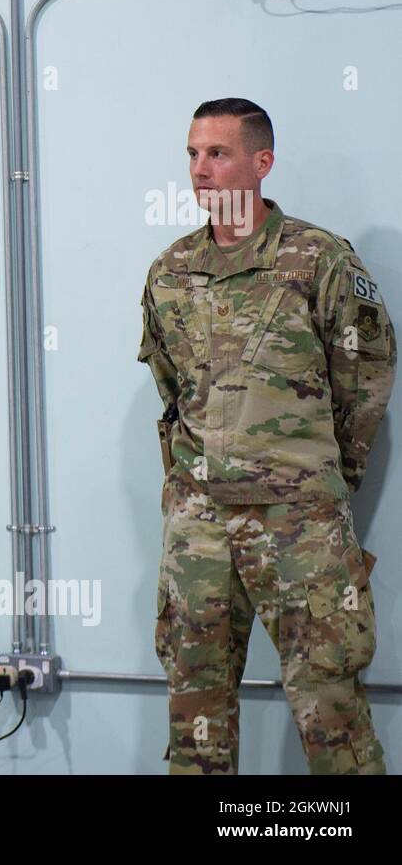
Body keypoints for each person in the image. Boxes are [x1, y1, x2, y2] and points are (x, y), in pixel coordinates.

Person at [138, 98, 394, 774]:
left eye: (217, 154)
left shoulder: (318, 260)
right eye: (192, 154)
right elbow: (173, 391)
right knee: (194, 709)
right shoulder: (171, 272)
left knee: (330, 706)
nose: (201, 169)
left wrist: (318, 484)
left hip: (299, 525)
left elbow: (364, 383)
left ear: (261, 163)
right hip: (198, 527)